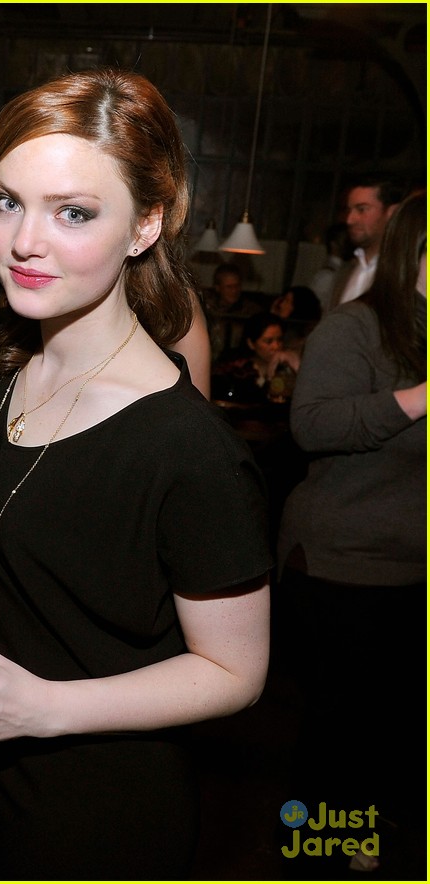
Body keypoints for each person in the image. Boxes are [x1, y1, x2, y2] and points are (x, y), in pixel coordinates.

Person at [0, 69, 271, 879]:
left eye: (73, 212)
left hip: (93, 816)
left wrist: (43, 708)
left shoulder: (189, 448)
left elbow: (236, 672)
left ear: (144, 226)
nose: (24, 241)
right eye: (6, 202)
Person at [277, 190, 425, 872]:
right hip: (344, 569)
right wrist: (419, 398)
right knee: (340, 738)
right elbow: (313, 424)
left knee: (392, 736)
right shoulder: (357, 328)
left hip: (413, 570)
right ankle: (317, 852)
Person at [329, 177, 405, 307]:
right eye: (349, 210)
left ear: (392, 212)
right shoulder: (345, 271)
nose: (350, 220)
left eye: (362, 209)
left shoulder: (405, 273)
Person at [211, 311, 300, 403]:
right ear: (251, 343)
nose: (276, 346)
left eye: (279, 340)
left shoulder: (287, 369)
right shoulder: (235, 370)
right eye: (268, 341)